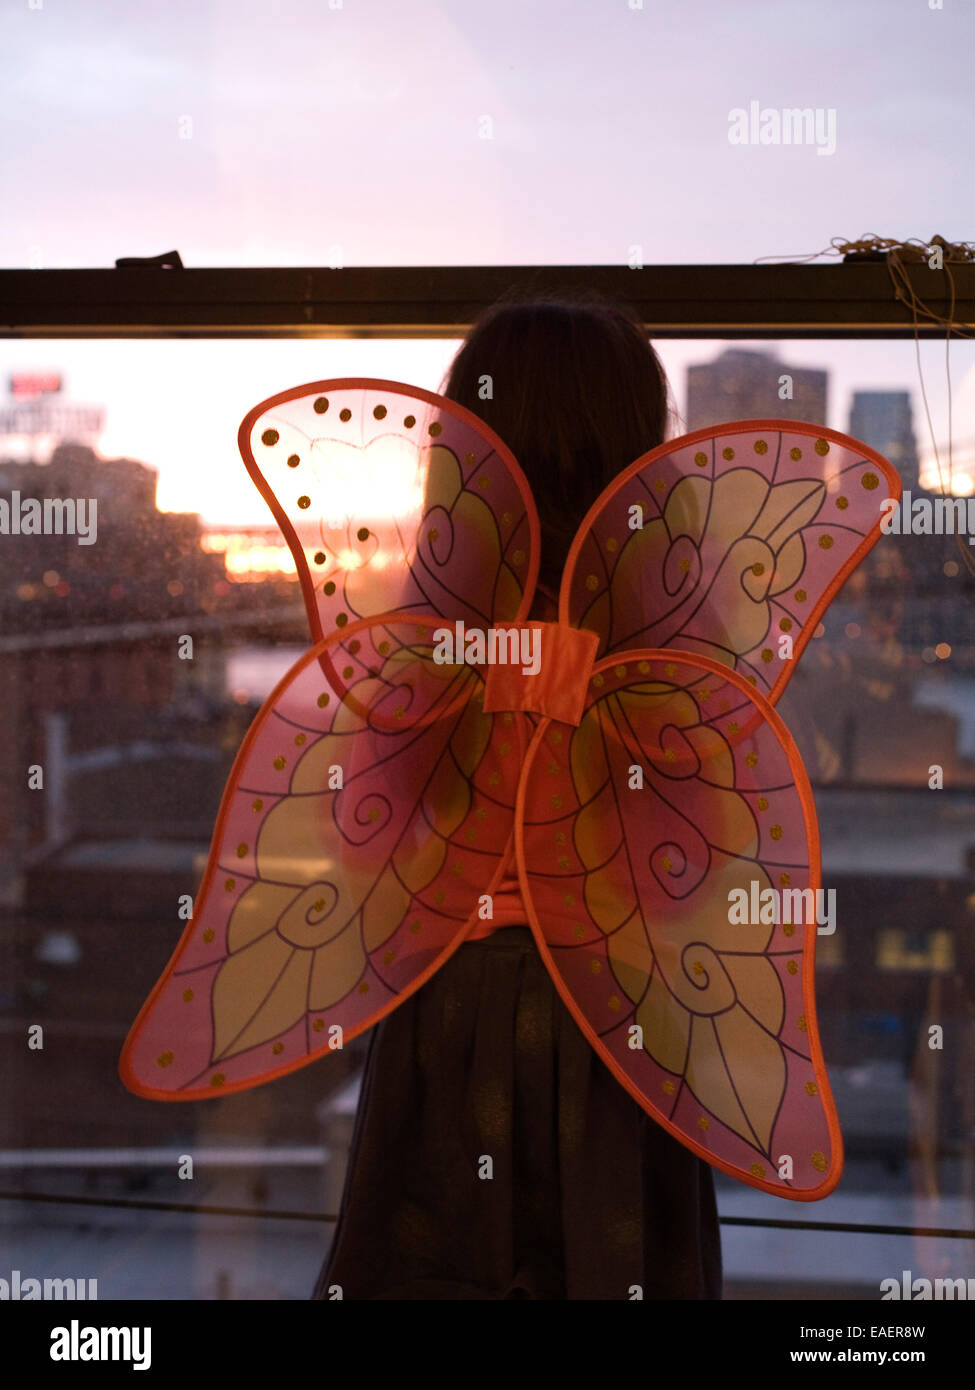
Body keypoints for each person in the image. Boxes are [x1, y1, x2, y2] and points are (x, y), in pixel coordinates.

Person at [312, 291, 723, 1301]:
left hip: (453, 1013)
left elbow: (362, 841)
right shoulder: (672, 633)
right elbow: (694, 867)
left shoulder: (435, 627)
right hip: (624, 1024)